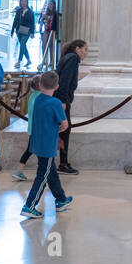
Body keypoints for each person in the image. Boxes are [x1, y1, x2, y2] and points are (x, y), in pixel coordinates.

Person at [20, 71, 72, 219]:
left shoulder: (37, 99)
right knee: (43, 175)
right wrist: (58, 130)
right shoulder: (55, 103)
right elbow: (64, 124)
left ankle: (61, 199)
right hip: (48, 144)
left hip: (37, 142)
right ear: (57, 86)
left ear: (40, 85)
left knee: (50, 172)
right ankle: (29, 205)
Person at [55, 39, 87, 175]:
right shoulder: (73, 58)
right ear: (77, 49)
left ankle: (63, 162)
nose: (86, 53)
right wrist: (63, 101)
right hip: (62, 100)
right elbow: (65, 81)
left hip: (61, 99)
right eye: (85, 49)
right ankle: (62, 163)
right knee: (65, 130)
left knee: (64, 130)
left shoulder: (68, 57)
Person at [13, 73, 42, 181]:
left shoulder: (32, 96)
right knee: (40, 151)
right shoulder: (40, 98)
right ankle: (42, 172)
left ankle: (19, 171)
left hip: (32, 129)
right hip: (38, 130)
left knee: (30, 150)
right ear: (41, 85)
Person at [11, 0, 35, 68]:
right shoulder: (19, 11)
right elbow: (15, 21)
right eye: (22, 1)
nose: (23, 3)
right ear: (20, 2)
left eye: (25, 1)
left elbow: (32, 23)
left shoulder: (30, 12)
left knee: (22, 44)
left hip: (27, 31)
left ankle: (19, 61)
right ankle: (28, 60)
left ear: (27, 2)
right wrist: (12, 31)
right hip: (18, 30)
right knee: (23, 46)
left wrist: (32, 33)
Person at [40, 0, 59, 66]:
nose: (49, 5)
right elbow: (41, 20)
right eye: (49, 4)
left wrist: (56, 32)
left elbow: (57, 23)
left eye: (51, 4)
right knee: (44, 44)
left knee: (51, 46)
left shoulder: (56, 13)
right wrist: (44, 20)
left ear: (54, 5)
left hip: (52, 31)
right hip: (46, 30)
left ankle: (51, 61)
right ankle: (44, 60)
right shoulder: (46, 13)